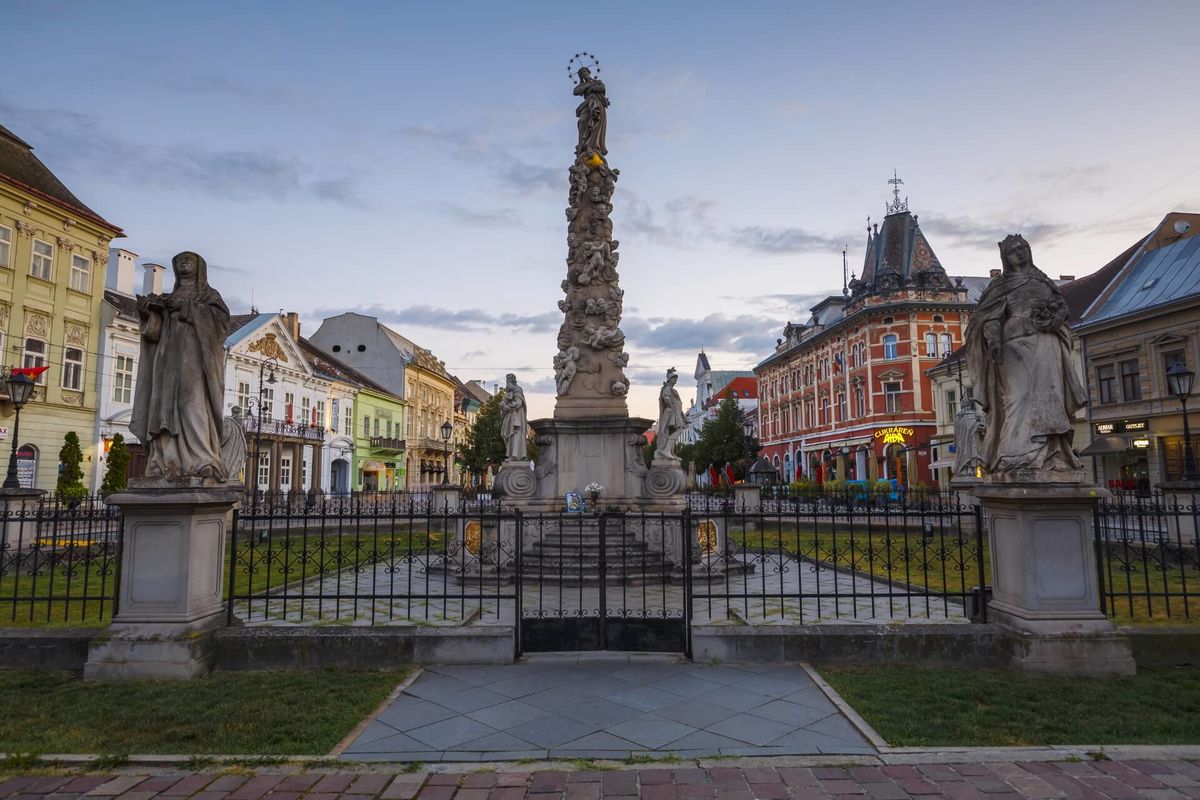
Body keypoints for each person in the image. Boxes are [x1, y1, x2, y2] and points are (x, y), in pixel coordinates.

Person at [965, 235, 1085, 481]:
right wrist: (993, 339)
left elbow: (1061, 305)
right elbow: (988, 317)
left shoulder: (1042, 280)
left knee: (1051, 395)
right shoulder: (1000, 286)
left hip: (1046, 342)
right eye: (1014, 250)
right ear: (1005, 257)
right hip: (1014, 345)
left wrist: (1056, 315)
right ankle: (1014, 453)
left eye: (1023, 248)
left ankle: (1052, 454)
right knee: (1016, 397)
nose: (1019, 253)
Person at [131, 251, 231, 482]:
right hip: (166, 360)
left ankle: (202, 458)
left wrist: (187, 310)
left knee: (191, 404)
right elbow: (153, 334)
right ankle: (166, 461)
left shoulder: (209, 296)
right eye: (179, 261)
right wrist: (149, 313)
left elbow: (222, 327)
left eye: (189, 260)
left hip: (194, 359)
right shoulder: (169, 297)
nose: (184, 263)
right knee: (163, 407)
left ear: (199, 267)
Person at [573, 66, 608, 156]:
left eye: (584, 71)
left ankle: (594, 145)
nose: (583, 74)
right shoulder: (583, 85)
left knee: (596, 122)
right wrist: (588, 86)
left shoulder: (597, 82)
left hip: (597, 103)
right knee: (582, 121)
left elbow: (602, 88)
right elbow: (576, 91)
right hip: (587, 104)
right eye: (581, 74)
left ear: (588, 72)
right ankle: (582, 144)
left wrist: (591, 87)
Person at [656, 368, 685, 460]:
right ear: (669, 379)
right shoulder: (667, 388)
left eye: (676, 378)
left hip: (675, 412)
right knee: (676, 429)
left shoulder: (673, 390)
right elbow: (666, 397)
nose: (675, 380)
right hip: (671, 412)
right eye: (673, 378)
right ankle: (666, 450)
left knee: (672, 431)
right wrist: (670, 406)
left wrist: (683, 415)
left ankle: (670, 452)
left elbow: (677, 403)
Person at [500, 374, 528, 461]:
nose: (507, 382)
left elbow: (519, 403)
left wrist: (508, 406)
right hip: (510, 416)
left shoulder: (518, 389)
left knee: (516, 435)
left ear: (513, 380)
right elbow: (504, 403)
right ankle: (510, 454)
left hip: (516, 417)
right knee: (508, 435)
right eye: (506, 380)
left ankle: (515, 455)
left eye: (508, 380)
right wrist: (503, 406)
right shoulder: (508, 392)